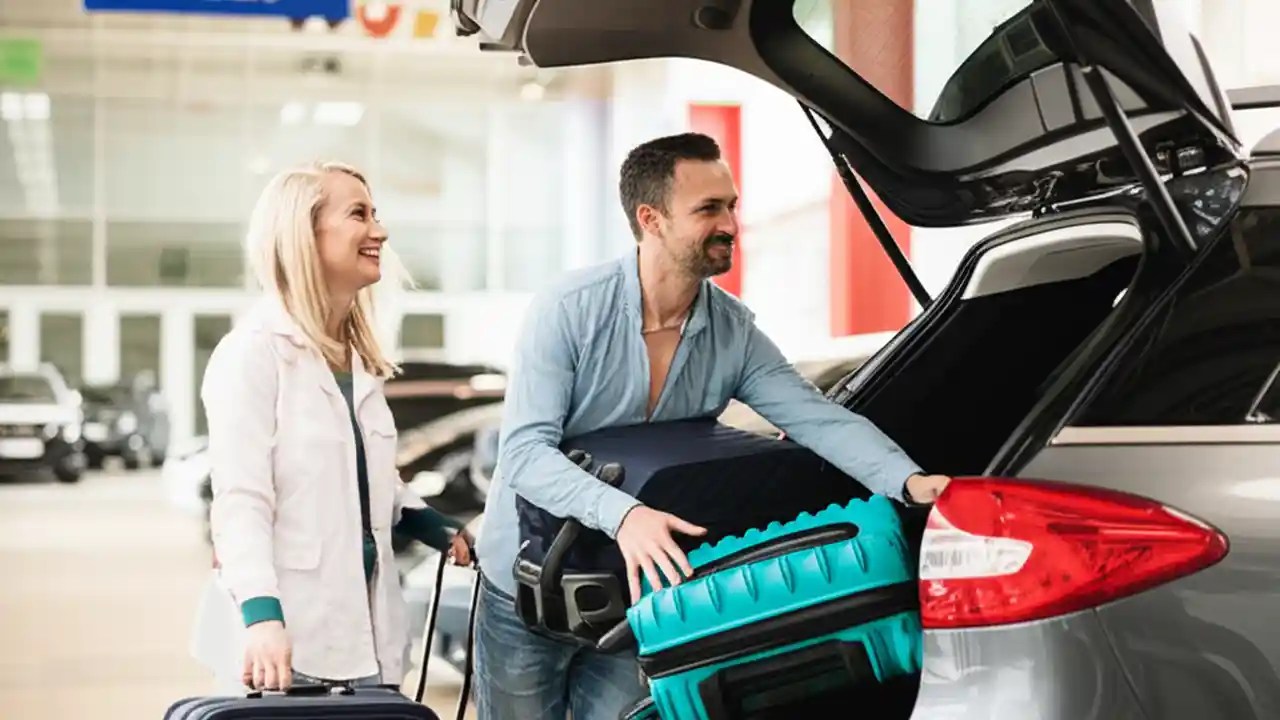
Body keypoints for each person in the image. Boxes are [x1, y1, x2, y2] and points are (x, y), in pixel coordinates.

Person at [472, 132, 952, 720]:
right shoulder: (568, 310)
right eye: (708, 209)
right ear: (651, 220)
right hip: (526, 584)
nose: (730, 223)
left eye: (731, 206)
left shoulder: (733, 331)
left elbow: (817, 418)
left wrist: (908, 481)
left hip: (642, 595)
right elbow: (523, 454)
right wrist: (626, 516)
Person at [190, 161, 474, 695]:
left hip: (369, 636)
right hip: (287, 644)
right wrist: (262, 619)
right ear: (304, 233)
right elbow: (241, 501)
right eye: (359, 215)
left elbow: (369, 481)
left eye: (377, 214)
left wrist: (436, 526)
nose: (380, 231)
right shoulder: (253, 353)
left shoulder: (357, 358)